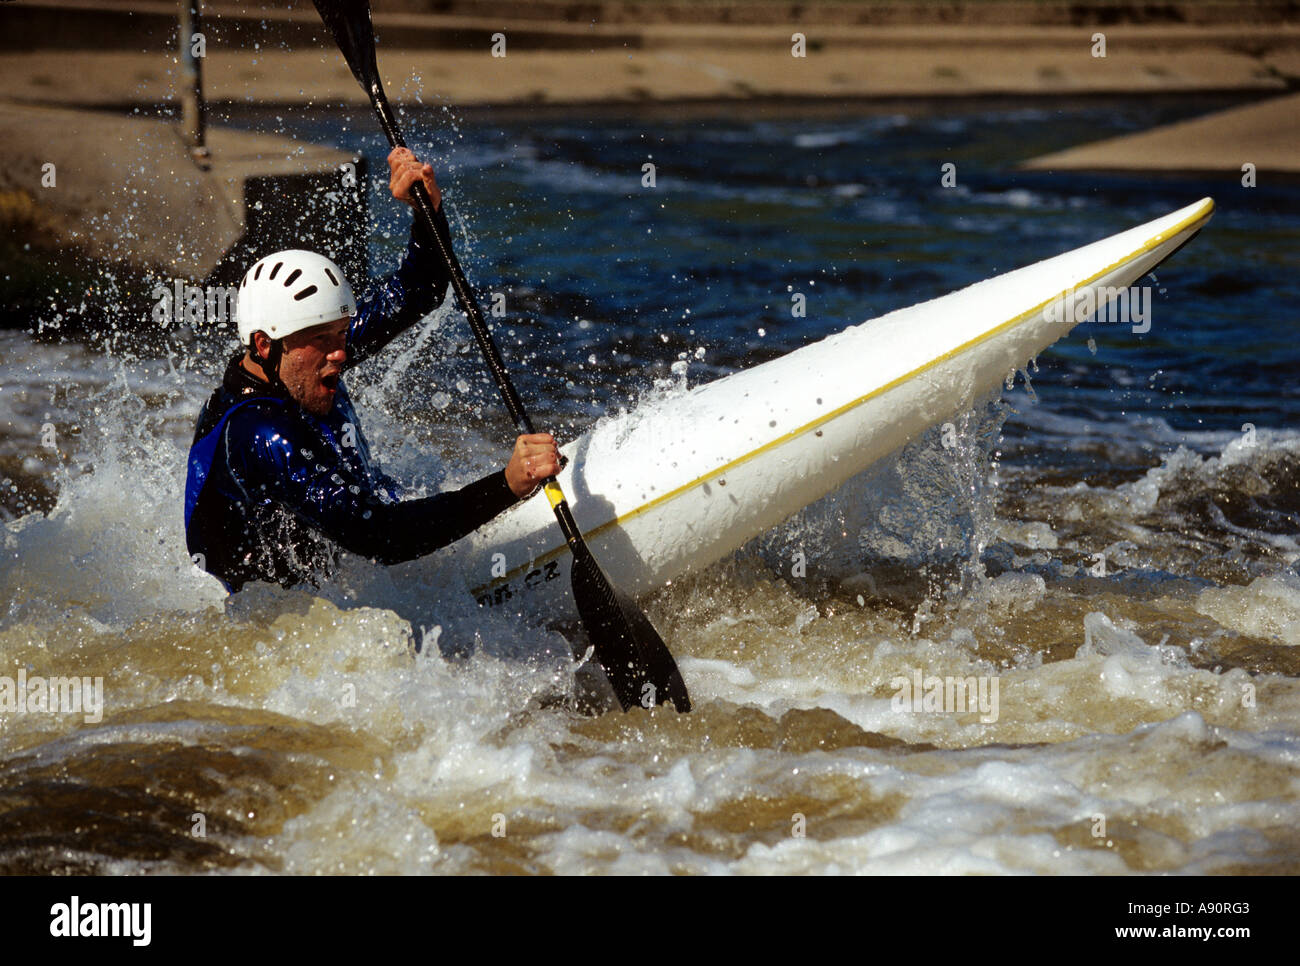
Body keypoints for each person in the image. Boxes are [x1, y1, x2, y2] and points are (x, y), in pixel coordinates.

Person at [185, 147, 560, 592]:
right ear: (264, 345)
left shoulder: (299, 357)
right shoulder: (259, 432)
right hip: (274, 617)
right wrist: (505, 487)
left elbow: (417, 292)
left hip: (345, 546)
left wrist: (426, 213)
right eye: (323, 340)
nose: (341, 354)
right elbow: (382, 537)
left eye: (342, 333)